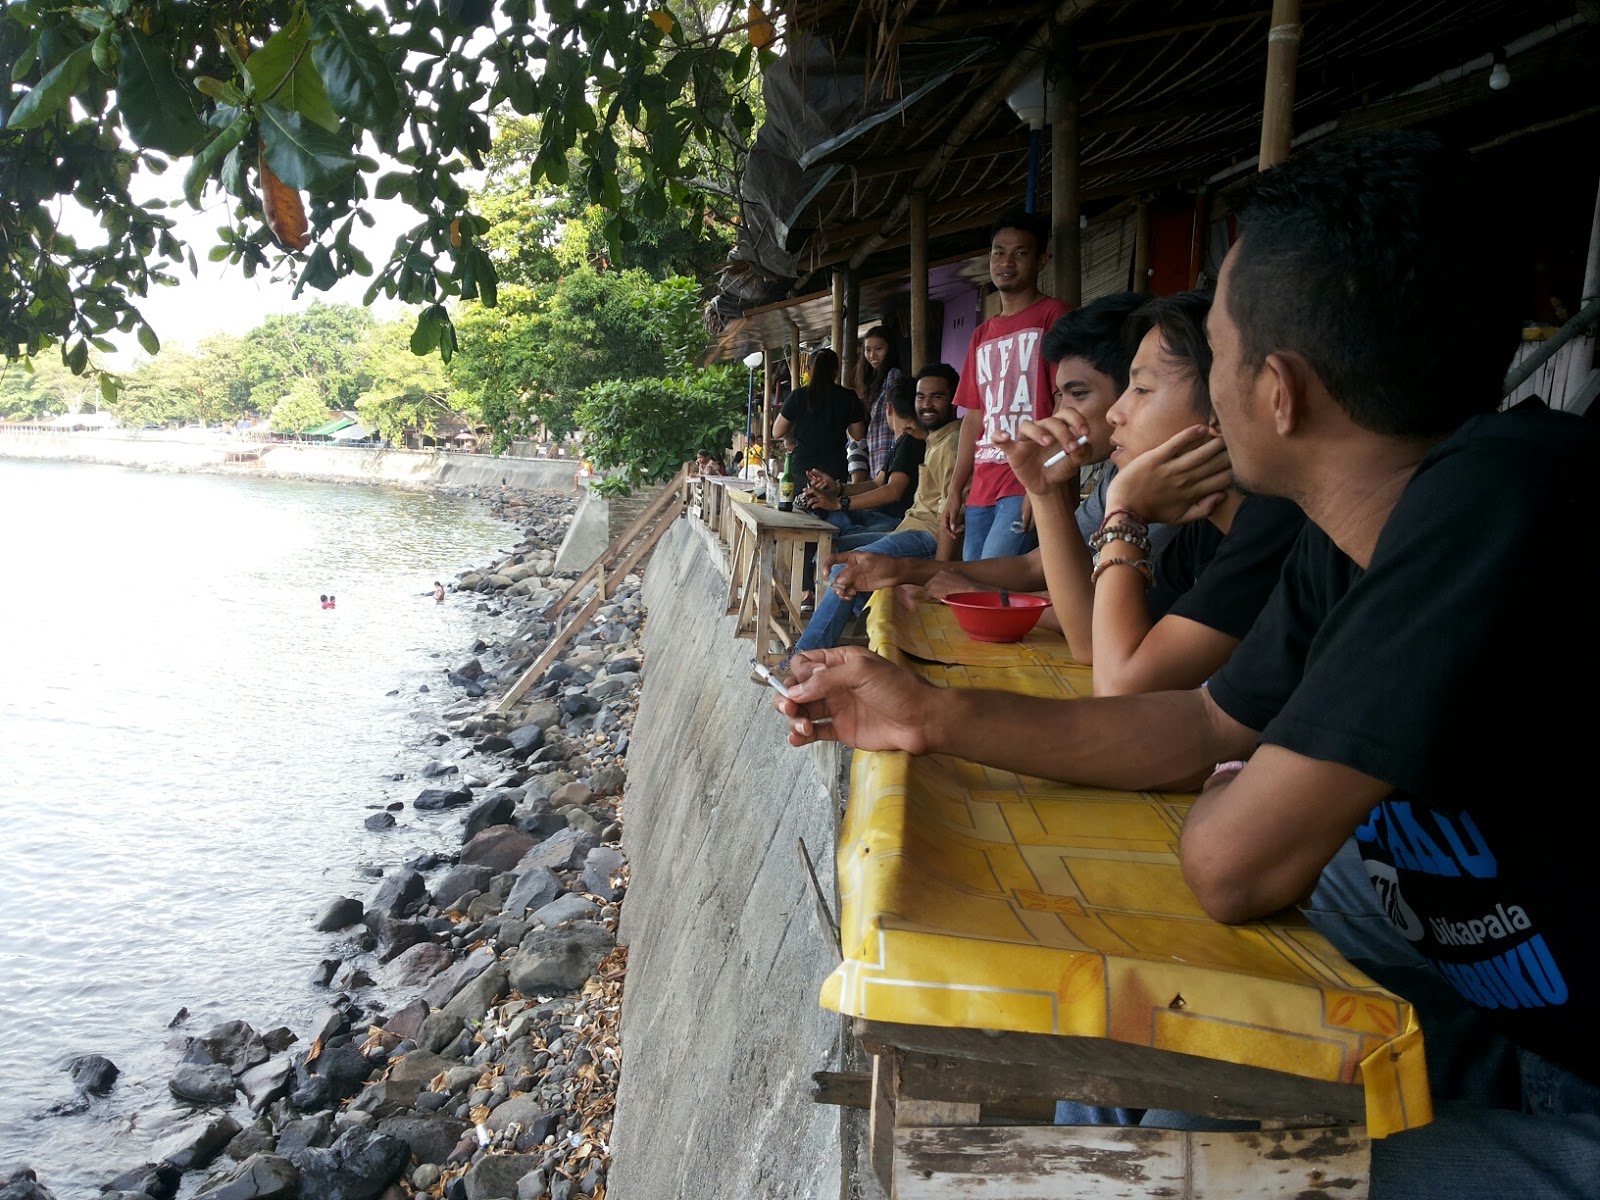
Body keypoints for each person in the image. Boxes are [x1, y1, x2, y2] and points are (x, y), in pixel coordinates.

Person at [776, 132, 1600, 1196]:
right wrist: (931, 715)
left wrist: (1252, 786)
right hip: (1478, 992)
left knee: (1179, 1172)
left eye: (1206, 357)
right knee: (1159, 1106)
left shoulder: (1492, 501)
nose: (1128, 409)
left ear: (1278, 392)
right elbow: (1202, 724)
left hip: (1565, 1079)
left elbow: (1230, 862)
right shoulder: (1348, 531)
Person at [995, 290, 1304, 693]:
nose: (1114, 413)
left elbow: (1120, 686)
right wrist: (1046, 491)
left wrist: (1126, 513)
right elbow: (1090, 643)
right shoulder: (1206, 527)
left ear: (1219, 405)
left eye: (1140, 390)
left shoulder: (1276, 522)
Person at [782, 364, 960, 661]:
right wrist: (837, 489)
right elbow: (879, 483)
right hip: (909, 527)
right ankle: (844, 632)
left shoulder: (951, 445)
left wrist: (938, 573)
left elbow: (945, 515)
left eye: (936, 397)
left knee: (844, 567)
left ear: (954, 399)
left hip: (924, 537)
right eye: (921, 397)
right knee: (836, 553)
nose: (926, 404)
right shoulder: (935, 440)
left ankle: (803, 658)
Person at [941, 209, 1071, 562]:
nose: (1006, 262)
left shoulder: (1054, 316)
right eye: (999, 252)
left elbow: (1065, 402)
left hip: (1026, 477)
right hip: (983, 485)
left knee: (993, 583)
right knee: (978, 581)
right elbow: (973, 417)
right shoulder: (982, 334)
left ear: (1042, 260)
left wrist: (1041, 480)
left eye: (1020, 253)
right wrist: (955, 490)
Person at [802, 378, 925, 541]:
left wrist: (839, 503)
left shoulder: (909, 441)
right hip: (882, 517)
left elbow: (893, 491)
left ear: (889, 409)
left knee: (833, 542)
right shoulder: (901, 442)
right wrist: (838, 489)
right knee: (823, 516)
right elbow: (877, 483)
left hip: (896, 522)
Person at [772, 348, 866, 488]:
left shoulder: (798, 396)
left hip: (802, 469)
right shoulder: (849, 397)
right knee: (832, 507)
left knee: (800, 507)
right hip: (834, 470)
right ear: (836, 371)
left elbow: (777, 432)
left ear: (808, 370)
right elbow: (858, 435)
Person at [856, 325, 907, 479]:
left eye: (878, 349)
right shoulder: (872, 382)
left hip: (889, 450)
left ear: (889, 348)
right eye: (868, 350)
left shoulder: (893, 376)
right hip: (876, 453)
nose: (872, 355)